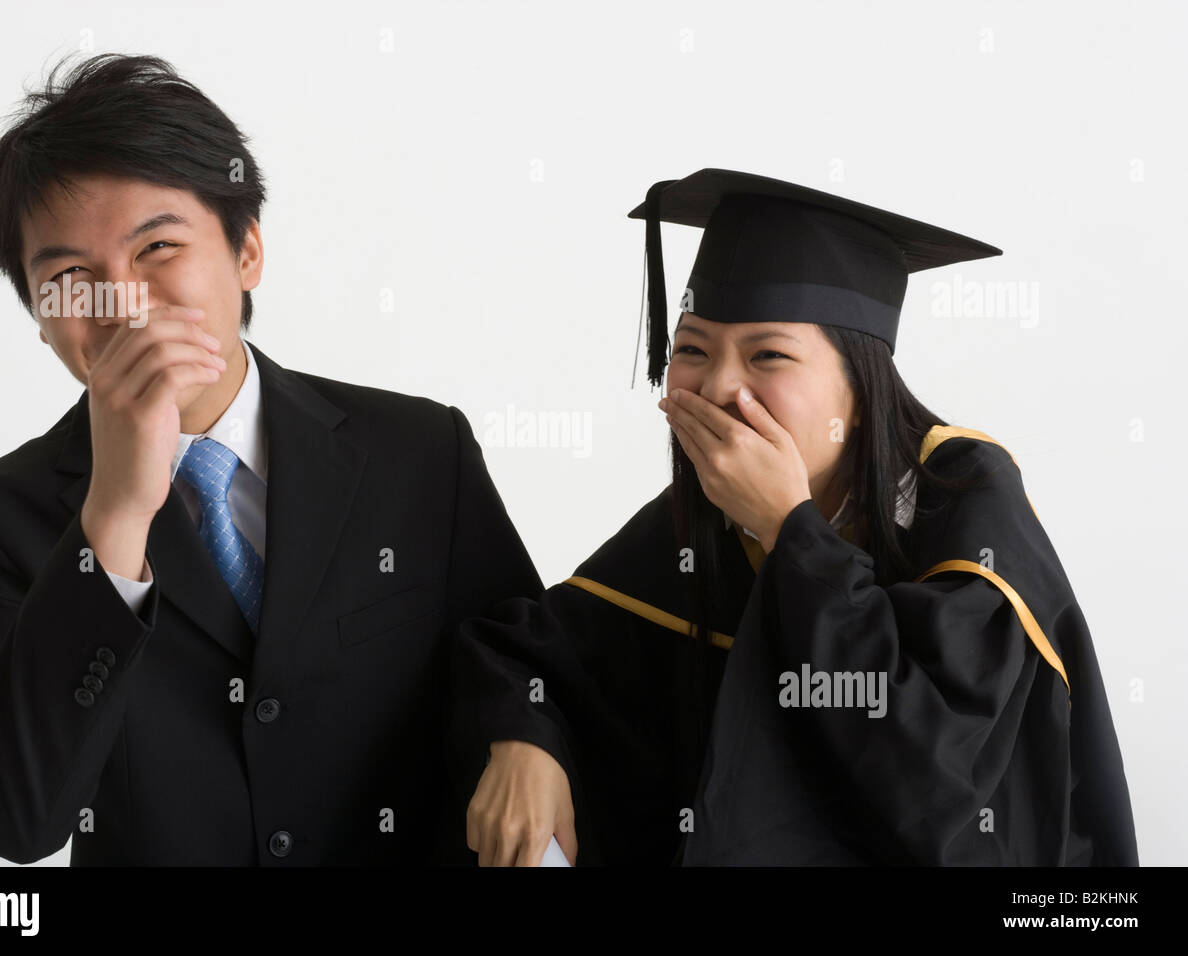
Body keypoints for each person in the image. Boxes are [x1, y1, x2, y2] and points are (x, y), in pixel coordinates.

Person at [0, 53, 541, 865]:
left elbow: (522, 653)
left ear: (247, 250)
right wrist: (112, 514)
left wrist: (529, 743)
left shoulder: (420, 452)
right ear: (41, 317)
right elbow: (6, 819)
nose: (123, 304)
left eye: (157, 249)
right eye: (71, 277)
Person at [452, 169, 1139, 866]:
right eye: (692, 349)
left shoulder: (961, 493)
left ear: (863, 386)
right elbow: (541, 644)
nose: (718, 387)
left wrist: (791, 530)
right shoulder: (714, 516)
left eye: (768, 355)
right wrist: (524, 739)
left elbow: (933, 780)